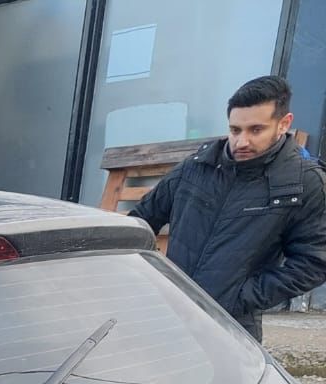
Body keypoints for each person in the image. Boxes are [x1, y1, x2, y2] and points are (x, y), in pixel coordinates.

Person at [132, 74, 326, 339]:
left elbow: (314, 263)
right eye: (235, 130)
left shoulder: (304, 183)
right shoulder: (196, 167)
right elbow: (140, 221)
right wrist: (154, 278)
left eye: (256, 130)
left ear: (284, 124)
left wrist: (240, 297)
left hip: (231, 328)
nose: (241, 142)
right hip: (170, 313)